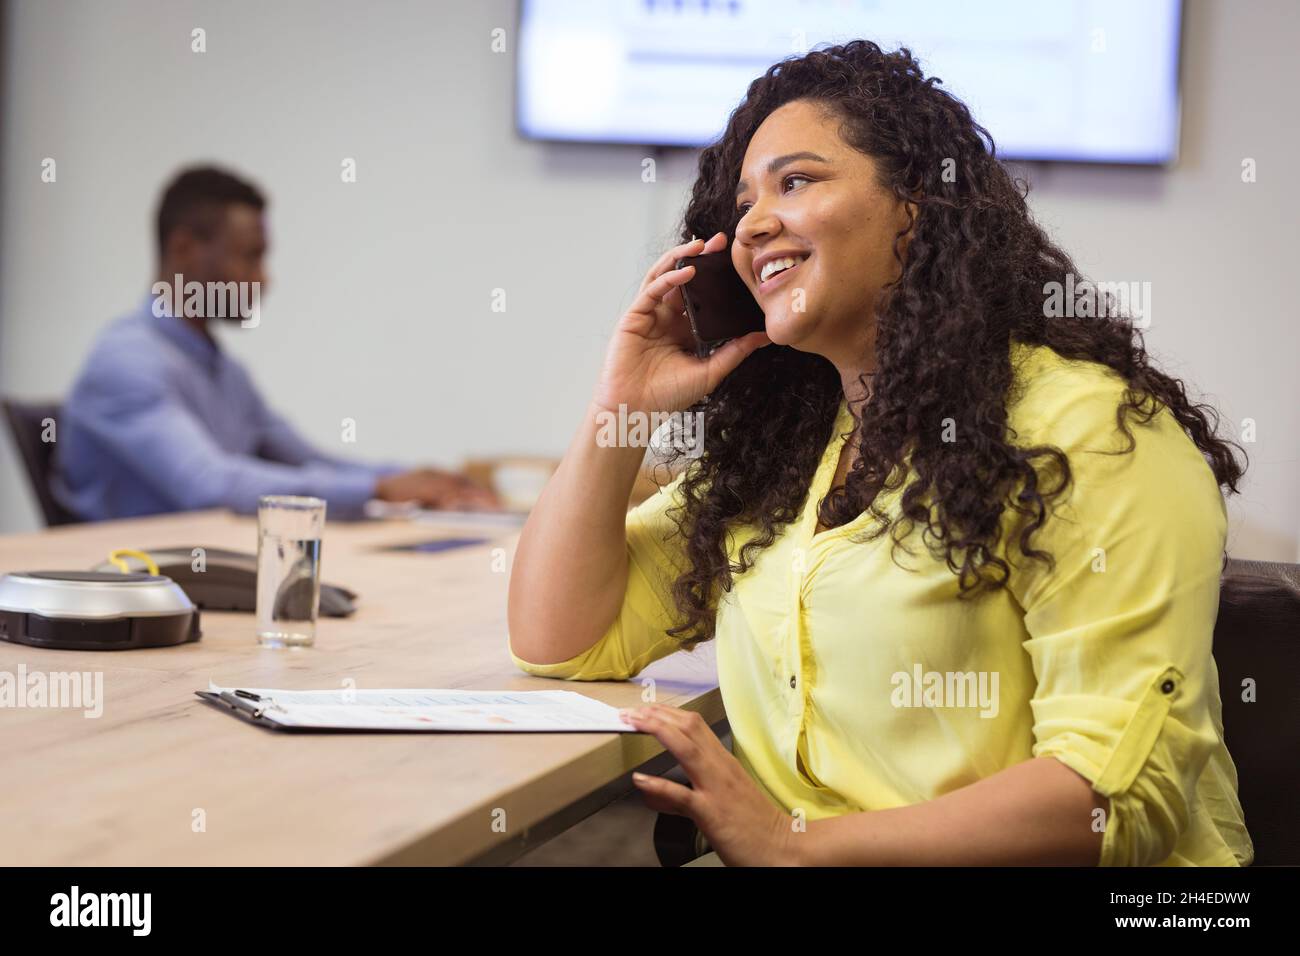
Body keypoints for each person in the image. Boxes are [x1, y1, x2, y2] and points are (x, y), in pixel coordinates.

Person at [507, 41, 1252, 867]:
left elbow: (1113, 799)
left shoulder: (1093, 431)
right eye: (744, 201)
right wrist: (622, 407)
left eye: (796, 182)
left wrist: (798, 846)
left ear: (917, 206)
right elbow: (562, 637)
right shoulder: (788, 457)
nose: (753, 222)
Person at [53, 166, 498, 521]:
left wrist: (414, 480)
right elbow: (211, 484)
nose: (264, 278)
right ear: (184, 248)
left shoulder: (224, 372)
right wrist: (377, 489)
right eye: (251, 256)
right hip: (128, 593)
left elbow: (306, 461)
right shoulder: (126, 362)